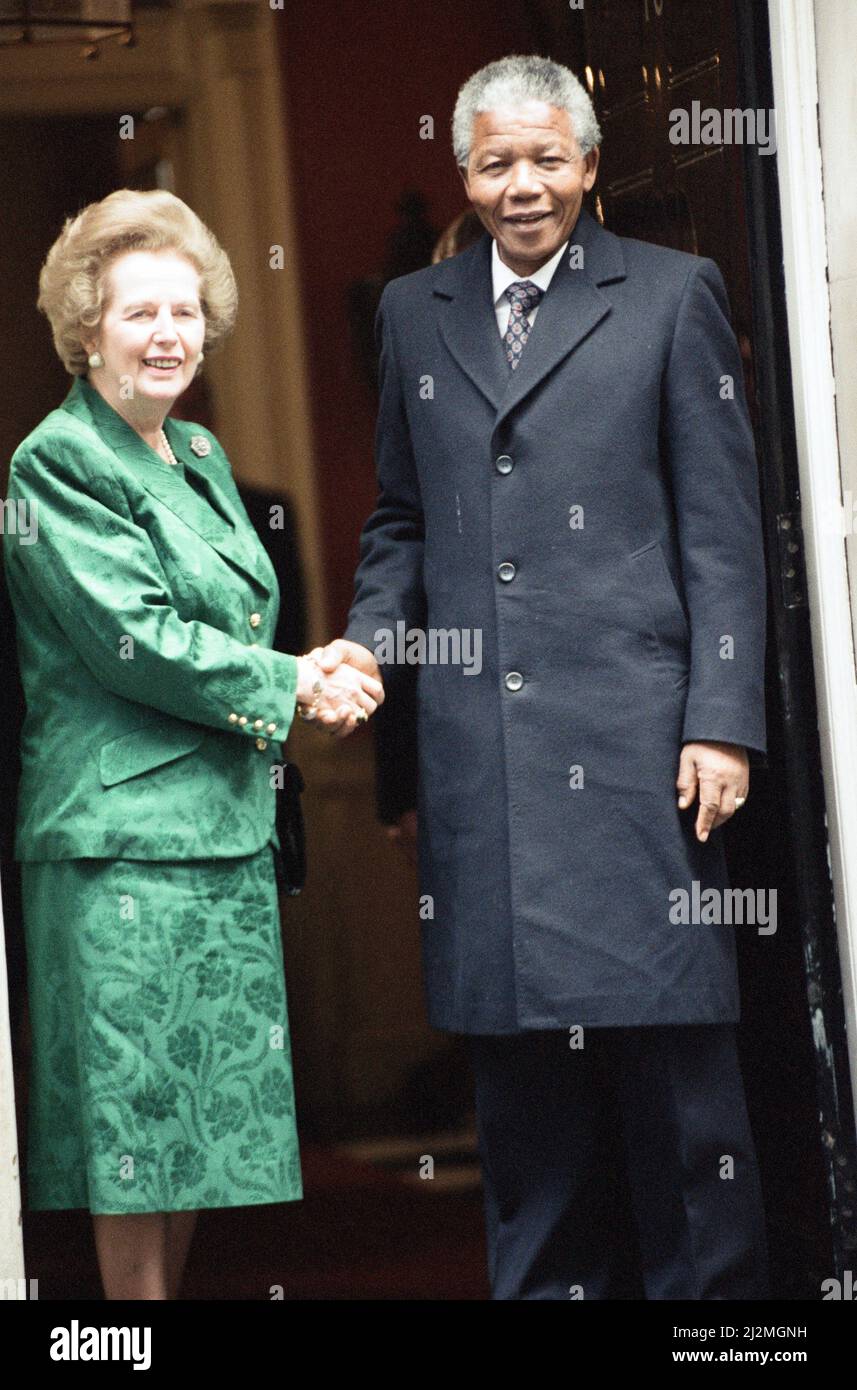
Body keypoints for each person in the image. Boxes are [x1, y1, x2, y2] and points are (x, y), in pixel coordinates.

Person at [315, 54, 770, 1299]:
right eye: (494, 162)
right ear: (462, 169)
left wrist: (722, 722)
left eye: (546, 159)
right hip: (490, 776)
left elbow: (721, 535)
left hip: (641, 763)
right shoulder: (414, 311)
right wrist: (369, 638)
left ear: (585, 165)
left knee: (685, 1125)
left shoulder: (672, 296)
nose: (522, 186)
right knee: (529, 1138)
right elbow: (401, 519)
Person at [3, 188, 383, 1300]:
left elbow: (225, 622)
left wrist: (317, 667)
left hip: (220, 837)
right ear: (85, 332)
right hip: (121, 847)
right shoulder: (55, 464)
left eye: (183, 312)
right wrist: (293, 680)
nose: (168, 334)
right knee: (134, 1129)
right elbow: (136, 641)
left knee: (195, 1135)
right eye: (138, 314)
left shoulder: (197, 451)